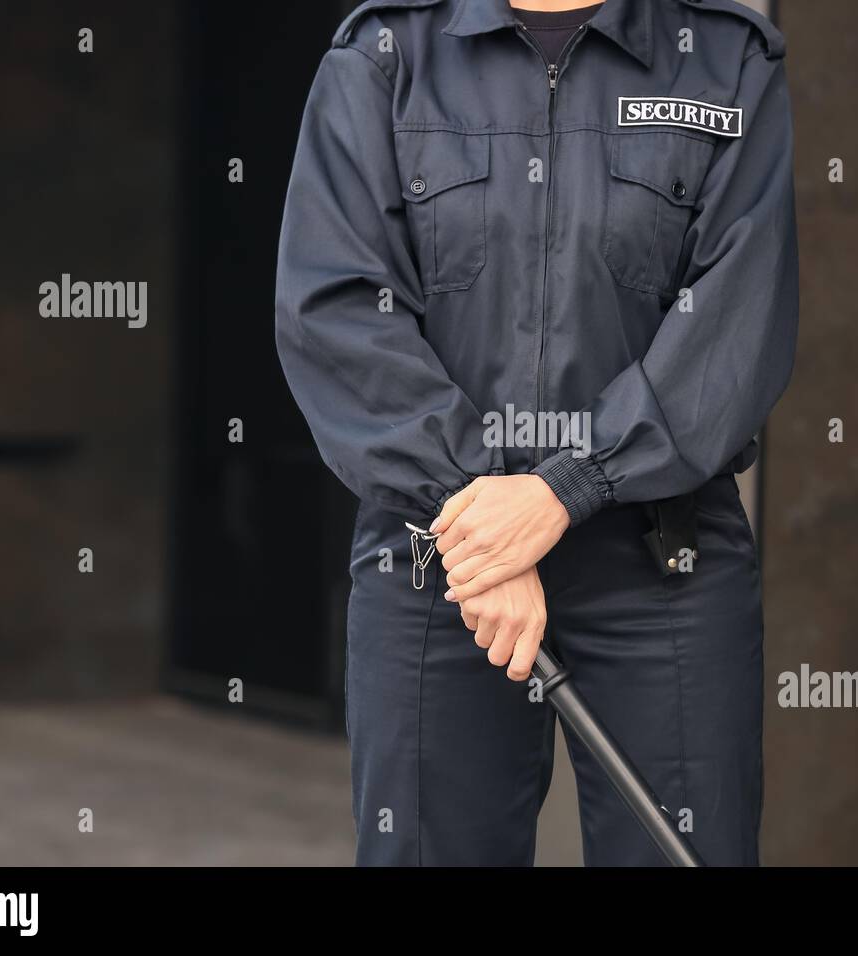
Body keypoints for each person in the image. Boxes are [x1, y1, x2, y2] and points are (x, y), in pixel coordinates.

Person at [275, 0, 798, 866]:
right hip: (437, 567)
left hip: (663, 568)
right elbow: (333, 311)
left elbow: (737, 324)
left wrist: (571, 485)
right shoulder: (383, 55)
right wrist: (474, 521)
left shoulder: (725, 59)